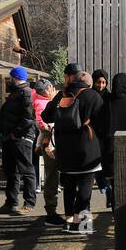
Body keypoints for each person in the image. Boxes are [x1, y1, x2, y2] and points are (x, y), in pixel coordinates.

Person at [43, 75, 105, 234]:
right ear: (87, 83)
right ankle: (83, 224)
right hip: (86, 147)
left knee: (69, 186)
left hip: (64, 148)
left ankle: (69, 221)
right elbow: (103, 121)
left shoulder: (61, 94)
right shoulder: (92, 96)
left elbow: (46, 116)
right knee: (85, 184)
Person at [0, 66, 38, 214]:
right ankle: (11, 203)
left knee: (26, 170)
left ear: (15, 78)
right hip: (11, 138)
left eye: (11, 78)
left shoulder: (24, 94)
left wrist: (16, 133)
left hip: (21, 138)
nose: (9, 80)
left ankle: (29, 203)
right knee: (11, 171)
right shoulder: (17, 93)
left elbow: (28, 118)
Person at [32, 78, 63, 225]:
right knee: (51, 176)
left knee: (53, 176)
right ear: (47, 90)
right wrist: (51, 127)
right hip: (49, 142)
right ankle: (51, 211)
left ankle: (53, 211)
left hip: (49, 141)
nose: (53, 91)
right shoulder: (41, 103)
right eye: (51, 89)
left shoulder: (43, 101)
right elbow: (41, 123)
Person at [92, 68, 115, 207]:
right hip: (93, 134)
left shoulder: (109, 97)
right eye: (98, 82)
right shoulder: (90, 95)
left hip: (105, 135)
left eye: (103, 82)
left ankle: (109, 194)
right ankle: (105, 189)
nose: (101, 85)